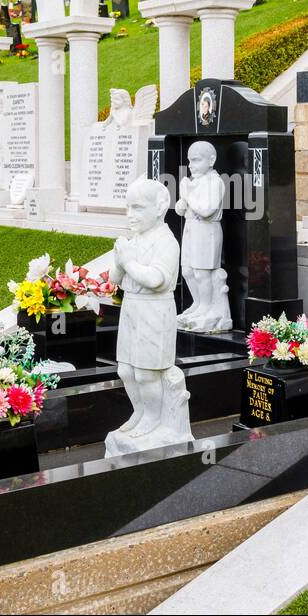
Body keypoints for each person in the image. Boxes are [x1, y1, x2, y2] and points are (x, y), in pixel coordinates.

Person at [105, 178, 193, 456]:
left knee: (146, 372)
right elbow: (113, 279)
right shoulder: (135, 240)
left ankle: (155, 418)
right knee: (126, 369)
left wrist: (129, 260)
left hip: (154, 310)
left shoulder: (166, 241)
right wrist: (120, 260)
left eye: (137, 208)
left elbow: (156, 279)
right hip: (132, 307)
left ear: (159, 208)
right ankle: (140, 412)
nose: (130, 215)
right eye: (127, 208)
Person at [175, 141, 231, 332]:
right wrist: (182, 203)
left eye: (196, 160)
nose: (191, 165)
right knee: (188, 271)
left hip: (207, 230)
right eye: (189, 161)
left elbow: (206, 210)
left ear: (211, 160)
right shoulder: (194, 182)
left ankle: (207, 307)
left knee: (202, 272)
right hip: (191, 227)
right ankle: (198, 303)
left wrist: (187, 194)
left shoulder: (215, 182)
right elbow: (182, 209)